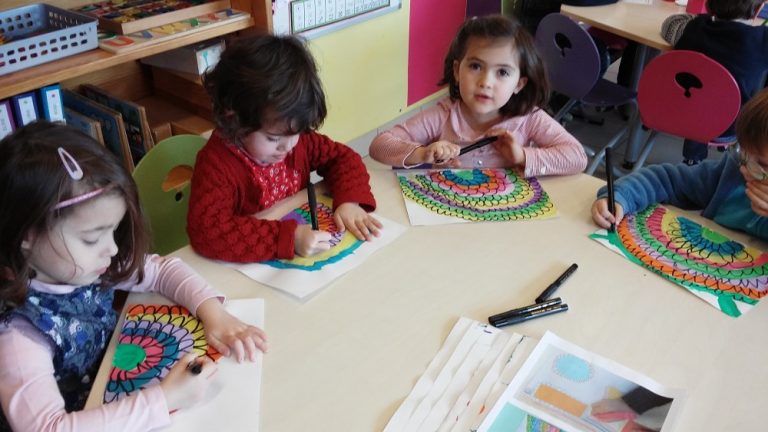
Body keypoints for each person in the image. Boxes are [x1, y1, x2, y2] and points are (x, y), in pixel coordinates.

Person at [0, 122, 268, 431]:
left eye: (113, 231)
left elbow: (161, 269)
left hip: (116, 385)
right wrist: (164, 400)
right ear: (26, 235)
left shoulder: (82, 266)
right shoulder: (19, 336)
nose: (112, 249)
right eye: (91, 238)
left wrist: (214, 314)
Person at [188, 34, 381, 263]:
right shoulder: (216, 166)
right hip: (246, 271)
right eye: (273, 138)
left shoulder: (296, 141)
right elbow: (208, 231)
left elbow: (342, 157)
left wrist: (348, 200)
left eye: (296, 133)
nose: (288, 146)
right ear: (234, 119)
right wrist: (288, 238)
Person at [368, 14, 588, 177]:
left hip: (506, 218)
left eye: (502, 72)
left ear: (519, 84)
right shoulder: (442, 115)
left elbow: (577, 157)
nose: (485, 82)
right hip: (448, 211)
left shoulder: (529, 118)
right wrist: (424, 153)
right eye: (475, 66)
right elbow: (380, 145)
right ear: (456, 71)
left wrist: (521, 155)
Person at [591, 88, 768, 240]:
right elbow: (667, 180)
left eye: (762, 164)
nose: (745, 167)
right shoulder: (732, 170)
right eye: (743, 152)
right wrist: (621, 197)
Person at [660, 0, 768, 165]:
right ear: (758, 9)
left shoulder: (694, 27)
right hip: (731, 127)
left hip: (680, 112)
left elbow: (670, 23)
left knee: (702, 99)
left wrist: (699, 17)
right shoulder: (762, 40)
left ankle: (692, 158)